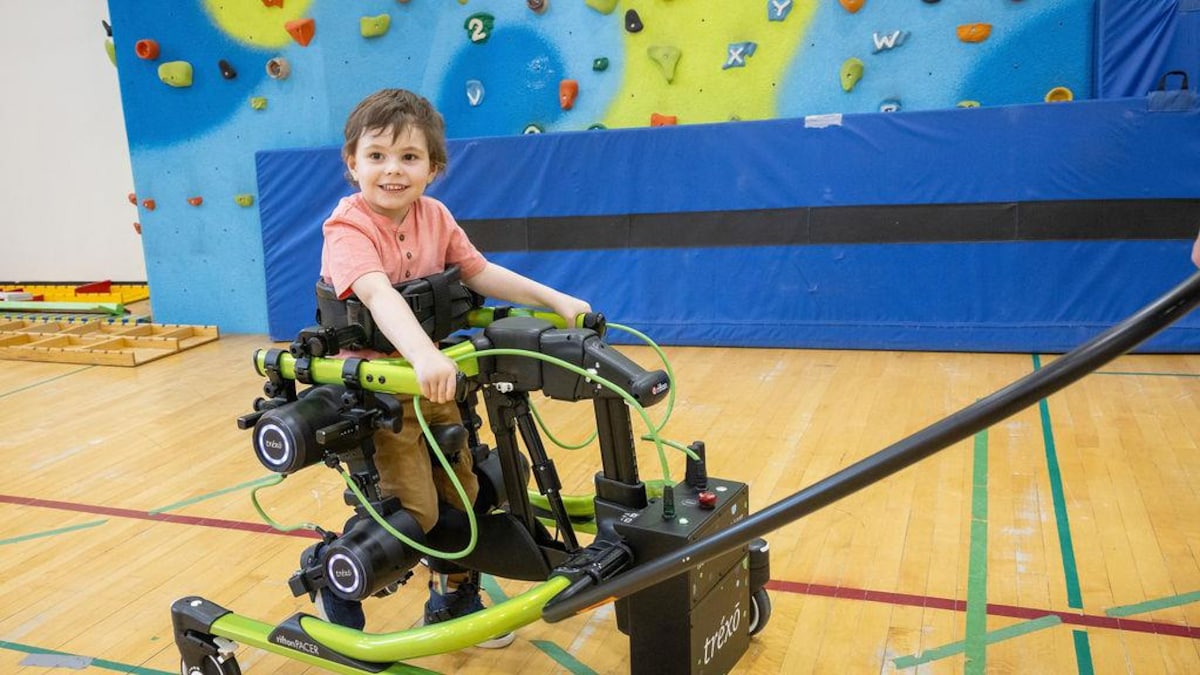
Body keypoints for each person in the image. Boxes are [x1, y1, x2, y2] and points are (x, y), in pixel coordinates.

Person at [316, 89, 591, 644]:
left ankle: (452, 598)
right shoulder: (347, 229)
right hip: (382, 397)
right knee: (412, 510)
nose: (392, 170)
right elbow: (377, 295)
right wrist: (421, 354)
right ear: (352, 164)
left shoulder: (435, 216)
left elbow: (479, 272)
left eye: (409, 157)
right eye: (376, 156)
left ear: (434, 169)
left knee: (463, 496)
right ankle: (333, 573)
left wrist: (556, 300)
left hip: (438, 384)